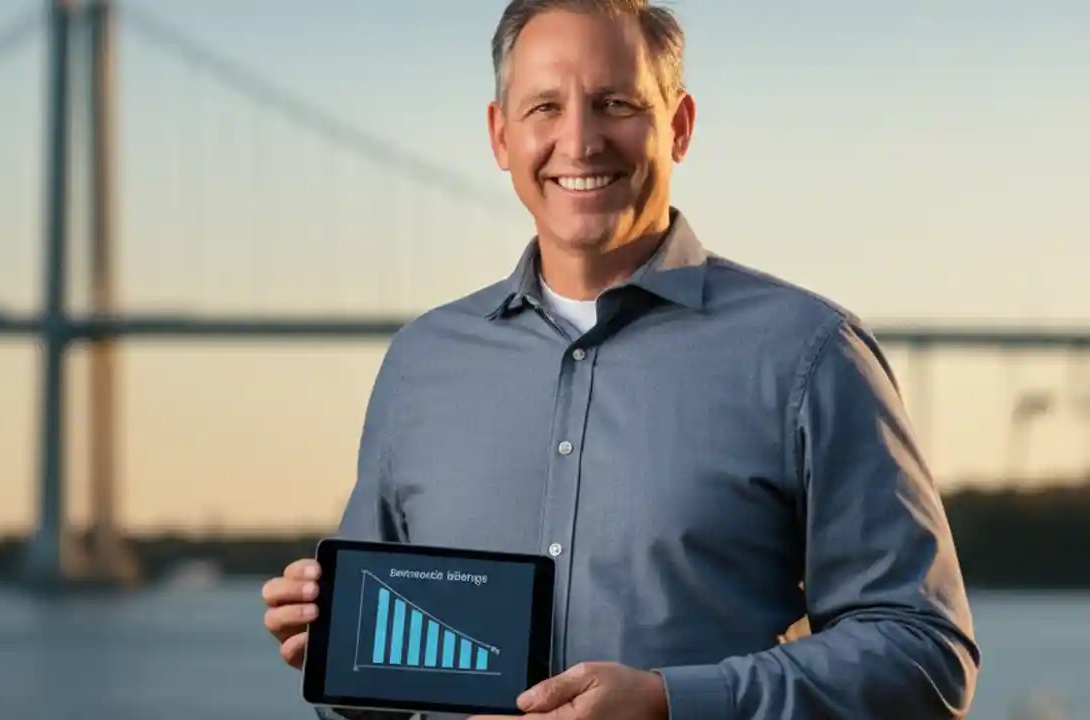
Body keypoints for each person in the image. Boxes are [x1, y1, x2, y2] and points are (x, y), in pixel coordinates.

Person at [263, 0, 980, 718]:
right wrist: (330, 648)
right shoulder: (422, 364)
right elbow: (374, 695)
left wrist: (671, 703)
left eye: (615, 104)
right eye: (545, 107)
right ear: (501, 135)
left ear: (680, 126)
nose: (580, 142)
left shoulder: (810, 354)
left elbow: (924, 654)